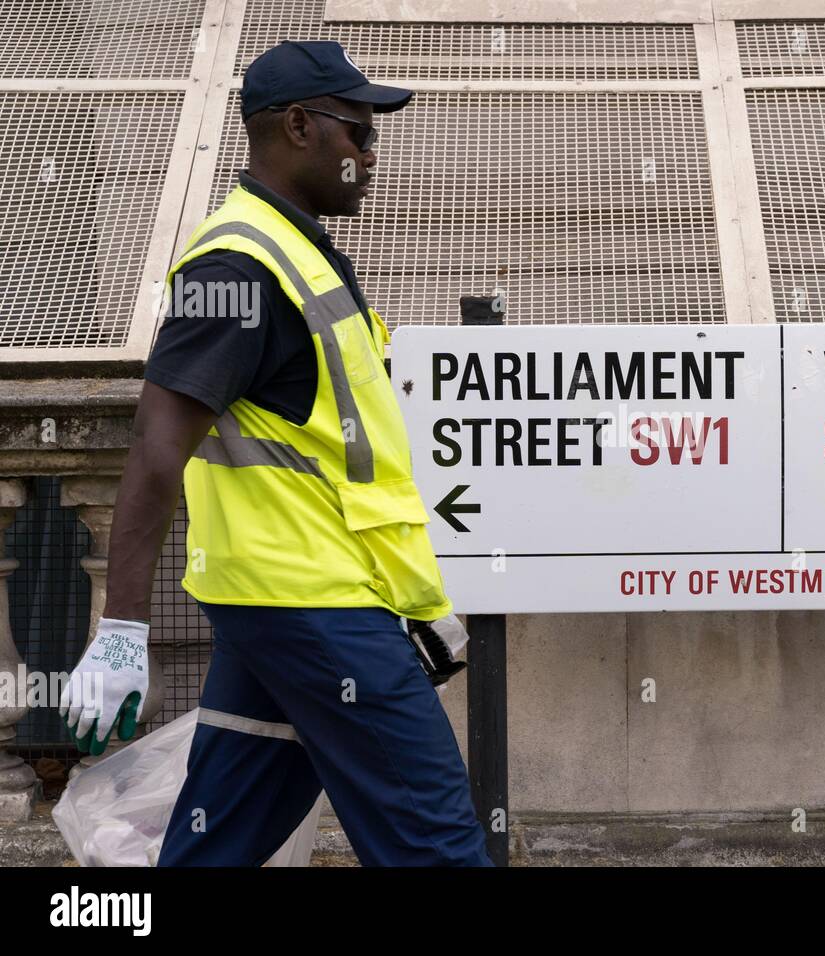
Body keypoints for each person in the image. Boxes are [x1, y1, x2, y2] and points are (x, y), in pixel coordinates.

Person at [57, 40, 490, 866]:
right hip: (313, 609)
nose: (371, 155)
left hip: (295, 604)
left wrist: (412, 603)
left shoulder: (295, 250)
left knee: (215, 843)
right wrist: (120, 629)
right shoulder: (238, 265)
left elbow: (336, 460)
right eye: (359, 134)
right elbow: (155, 446)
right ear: (299, 126)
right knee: (438, 846)